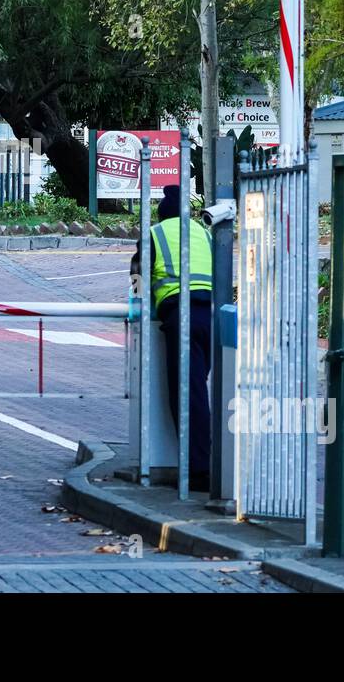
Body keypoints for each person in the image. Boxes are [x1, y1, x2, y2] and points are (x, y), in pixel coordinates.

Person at [130, 183, 214, 491]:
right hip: (209, 316)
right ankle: (204, 463)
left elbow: (138, 276)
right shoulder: (203, 233)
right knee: (199, 392)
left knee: (186, 395)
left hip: (181, 316)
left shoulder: (155, 234)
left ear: (162, 214)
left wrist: (140, 309)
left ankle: (200, 472)